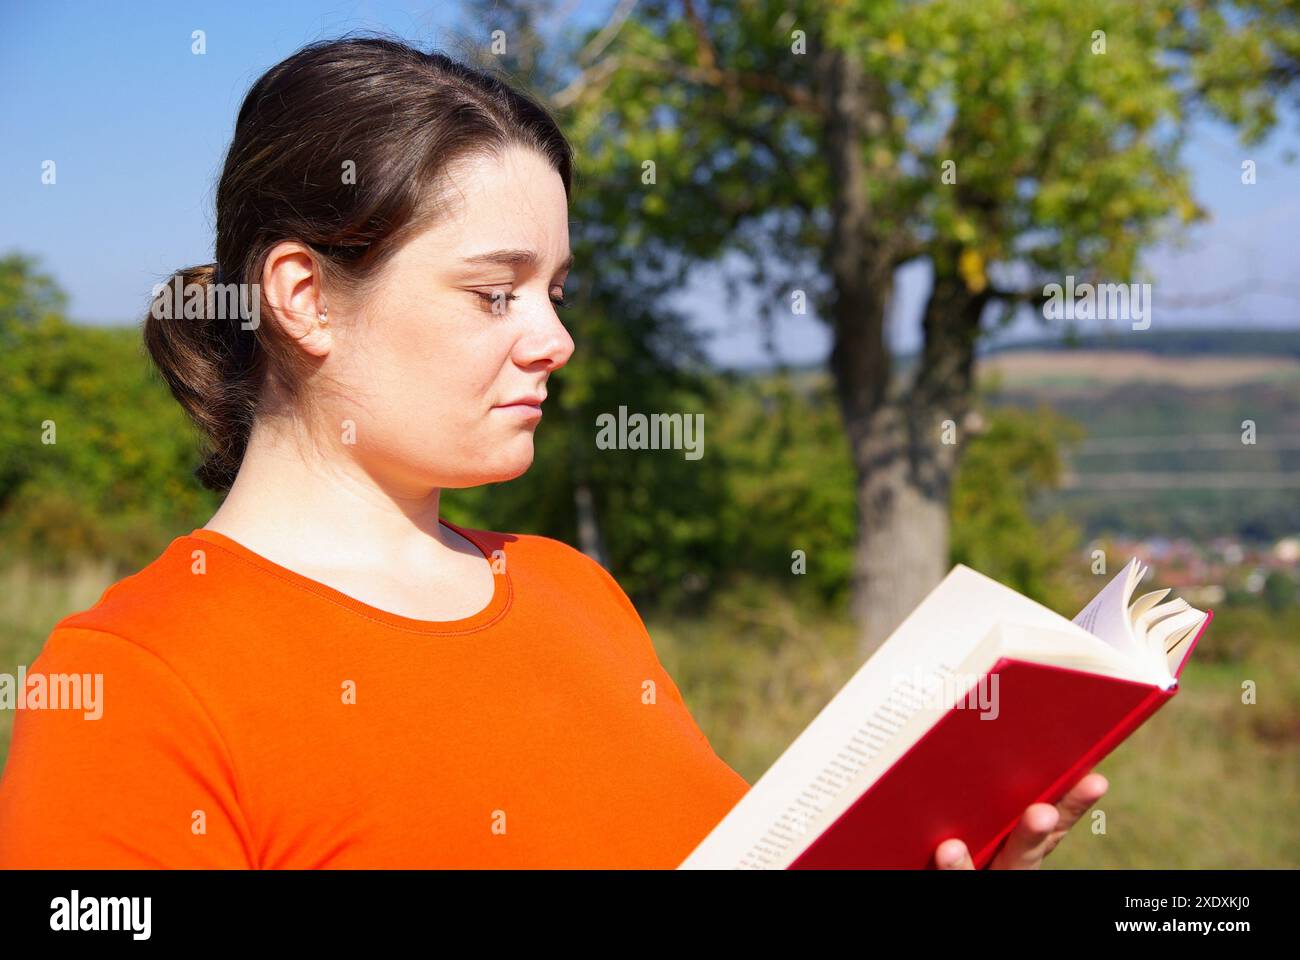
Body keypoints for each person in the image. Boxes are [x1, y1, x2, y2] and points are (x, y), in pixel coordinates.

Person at [0, 36, 1104, 869]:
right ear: (302, 297)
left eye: (556, 291)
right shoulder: (134, 682)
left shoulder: (572, 594)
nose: (556, 339)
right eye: (494, 293)